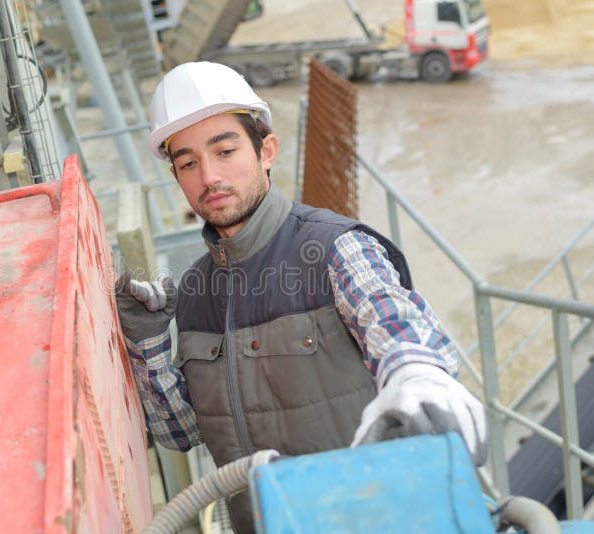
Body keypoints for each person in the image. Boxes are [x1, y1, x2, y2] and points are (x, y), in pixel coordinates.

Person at [115, 61, 487, 533]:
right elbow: (181, 431)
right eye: (188, 163)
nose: (209, 176)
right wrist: (148, 342)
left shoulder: (334, 247)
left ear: (266, 151)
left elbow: (390, 315)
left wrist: (416, 370)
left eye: (225, 150)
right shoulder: (194, 292)